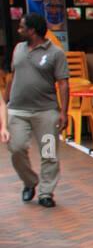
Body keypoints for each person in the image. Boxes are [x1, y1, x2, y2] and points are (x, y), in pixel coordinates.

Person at [6, 13, 69, 207]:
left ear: (32, 30)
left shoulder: (56, 53)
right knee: (15, 148)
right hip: (18, 111)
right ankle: (30, 182)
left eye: (22, 27)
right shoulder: (18, 49)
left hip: (46, 112)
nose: (18, 30)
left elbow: (64, 84)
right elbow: (13, 74)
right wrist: (5, 101)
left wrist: (63, 112)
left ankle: (46, 192)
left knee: (49, 153)